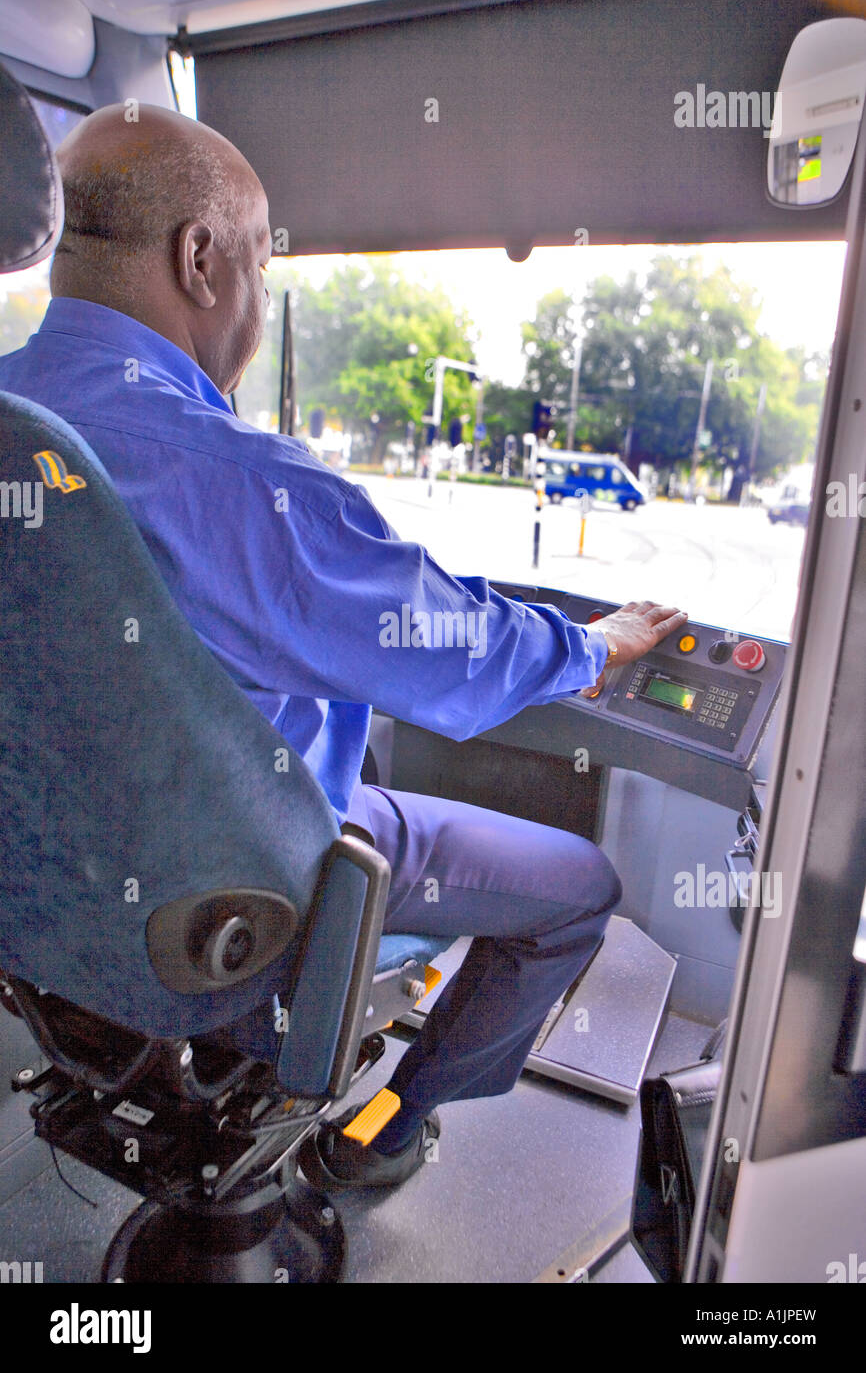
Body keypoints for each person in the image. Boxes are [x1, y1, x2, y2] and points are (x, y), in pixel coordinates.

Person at [0, 104, 687, 1188]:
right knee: (579, 885)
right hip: (234, 892)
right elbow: (456, 654)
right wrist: (588, 648)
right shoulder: (234, 478)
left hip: (39, 880)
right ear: (200, 260)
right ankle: (388, 1130)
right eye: (261, 266)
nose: (259, 298)